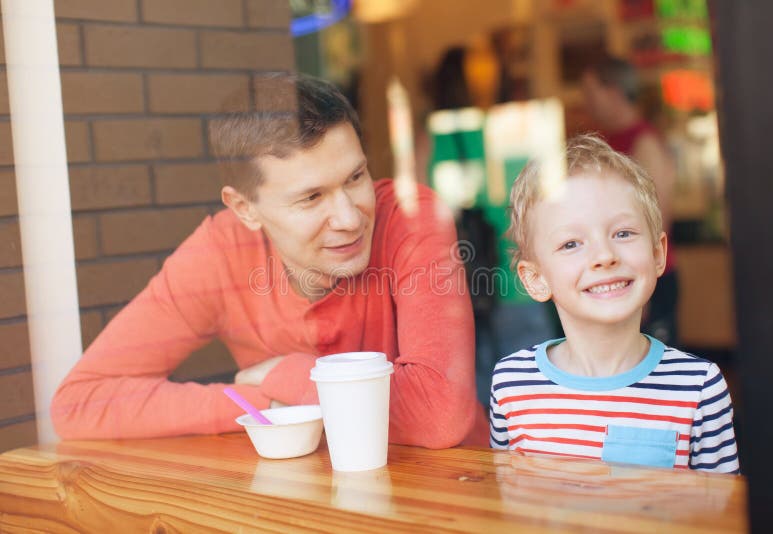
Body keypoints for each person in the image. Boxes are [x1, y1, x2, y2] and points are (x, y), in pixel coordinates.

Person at [51, 73, 486, 448]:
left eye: (355, 177)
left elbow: (438, 415)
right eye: (311, 197)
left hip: (450, 496)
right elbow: (80, 404)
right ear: (244, 209)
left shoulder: (411, 217)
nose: (350, 218)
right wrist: (271, 405)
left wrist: (289, 375)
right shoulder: (220, 253)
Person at [489, 134, 739, 473]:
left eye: (622, 234)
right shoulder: (512, 384)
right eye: (571, 243)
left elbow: (720, 518)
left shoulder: (699, 388)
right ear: (536, 279)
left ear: (657, 254)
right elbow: (508, 506)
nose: (604, 256)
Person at [581, 56, 679, 346]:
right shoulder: (609, 141)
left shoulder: (644, 142)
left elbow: (658, 218)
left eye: (590, 92)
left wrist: (642, 284)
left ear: (613, 92)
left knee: (658, 374)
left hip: (648, 278)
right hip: (621, 276)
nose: (586, 101)